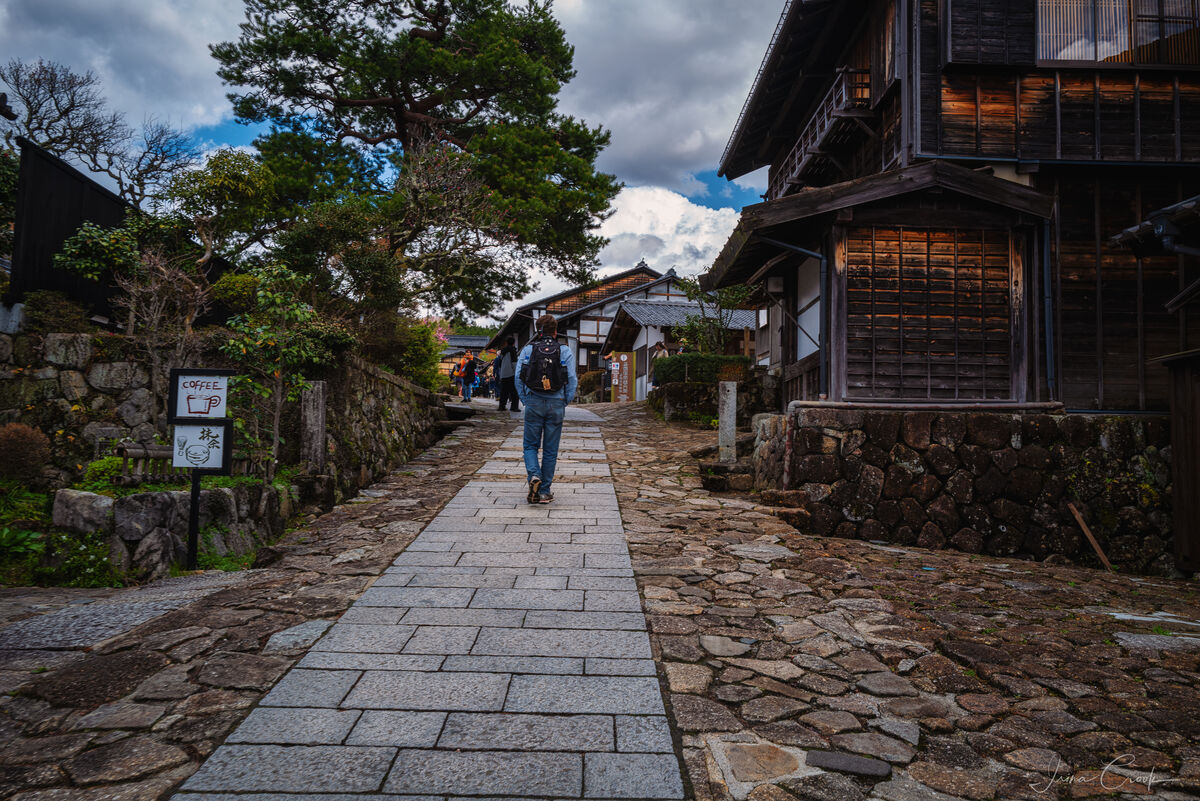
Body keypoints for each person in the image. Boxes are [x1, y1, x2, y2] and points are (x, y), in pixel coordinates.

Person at [517, 314, 577, 504]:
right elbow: (572, 379)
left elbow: (519, 377)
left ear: (538, 331)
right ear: (555, 331)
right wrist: (565, 400)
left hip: (534, 400)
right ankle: (544, 492)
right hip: (556, 402)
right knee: (550, 449)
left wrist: (525, 399)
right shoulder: (564, 350)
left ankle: (534, 475)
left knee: (530, 446)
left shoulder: (528, 350)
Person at [494, 336, 521, 412]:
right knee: (514, 392)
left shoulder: (502, 351)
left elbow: (500, 363)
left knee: (504, 391)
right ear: (514, 343)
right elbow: (514, 363)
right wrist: (516, 372)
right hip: (511, 373)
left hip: (503, 373)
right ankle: (514, 407)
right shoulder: (512, 350)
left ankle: (501, 406)